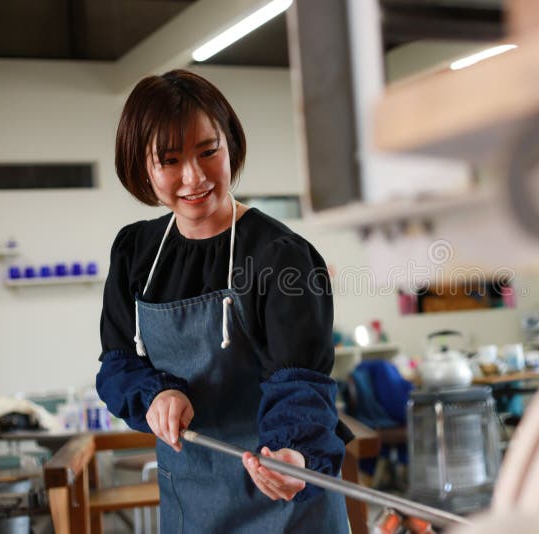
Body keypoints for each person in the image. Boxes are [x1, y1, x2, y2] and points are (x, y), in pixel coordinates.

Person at [96, 69, 350, 532]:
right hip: (192, 503)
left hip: (287, 502)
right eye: (169, 160)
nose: (194, 176)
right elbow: (116, 364)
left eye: (208, 151)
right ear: (142, 167)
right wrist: (155, 394)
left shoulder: (281, 257)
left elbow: (302, 383)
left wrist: (294, 457)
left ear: (230, 143)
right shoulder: (136, 253)